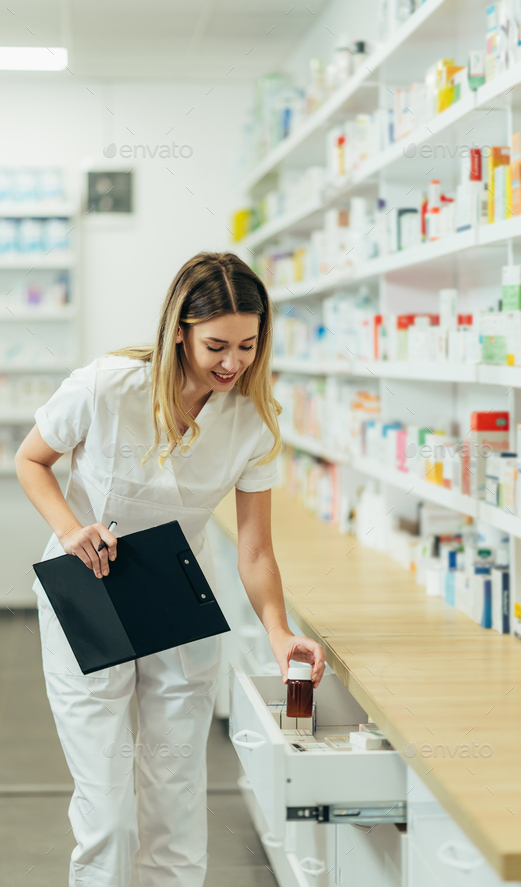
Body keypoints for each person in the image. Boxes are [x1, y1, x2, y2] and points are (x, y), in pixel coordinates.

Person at [14, 251, 326, 887]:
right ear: (179, 328)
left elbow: (257, 549)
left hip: (179, 600)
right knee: (107, 813)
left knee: (177, 805)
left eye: (247, 344)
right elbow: (31, 459)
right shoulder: (106, 385)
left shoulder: (254, 419)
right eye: (216, 345)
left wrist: (277, 631)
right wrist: (72, 531)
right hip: (89, 589)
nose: (232, 363)